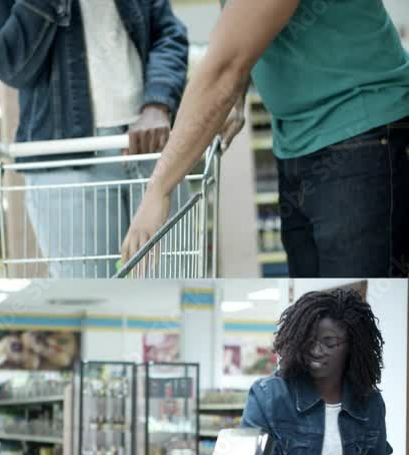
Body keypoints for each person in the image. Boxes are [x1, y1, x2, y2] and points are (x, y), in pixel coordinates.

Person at [122, 0, 409, 277]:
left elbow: (226, 67)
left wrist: (158, 190)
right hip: (297, 141)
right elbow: (245, 30)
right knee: (316, 294)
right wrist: (236, 94)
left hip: (360, 133)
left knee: (352, 292)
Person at [0, 0, 189, 277]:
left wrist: (158, 102)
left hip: (151, 147)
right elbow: (7, 64)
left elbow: (168, 33)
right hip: (66, 161)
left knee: (171, 289)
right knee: (91, 296)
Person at [241, 289, 392, 455]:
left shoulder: (369, 404)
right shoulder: (269, 395)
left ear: (352, 345)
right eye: (309, 340)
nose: (316, 350)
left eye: (329, 342)